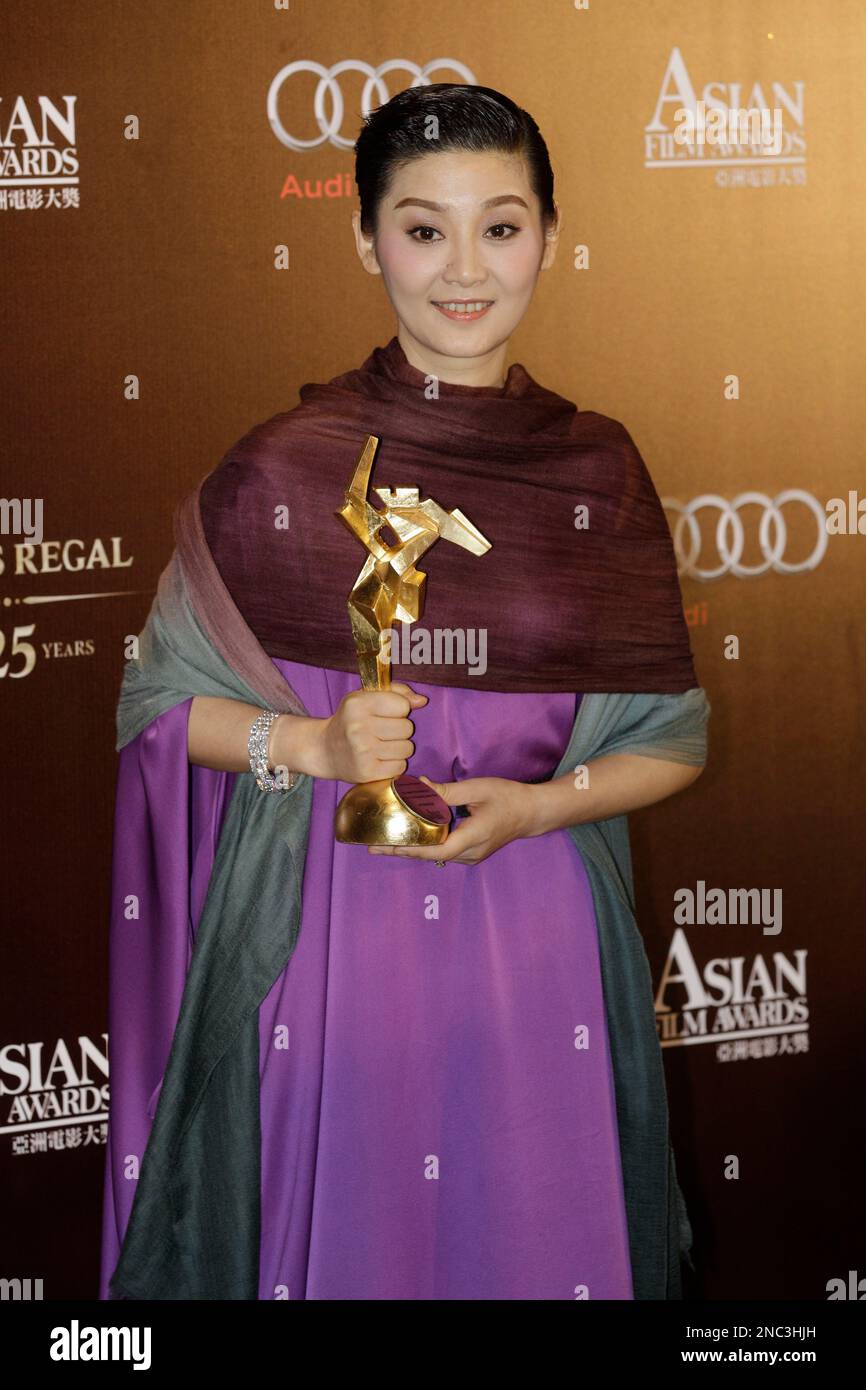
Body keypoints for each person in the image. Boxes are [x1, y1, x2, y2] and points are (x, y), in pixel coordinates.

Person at [100, 83, 710, 1302]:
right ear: (366, 238)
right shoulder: (284, 466)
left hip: (538, 948)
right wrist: (315, 746)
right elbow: (158, 713)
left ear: (549, 231)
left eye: (501, 224)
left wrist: (536, 810)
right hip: (332, 957)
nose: (463, 269)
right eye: (423, 228)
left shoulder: (600, 469)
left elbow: (671, 740)